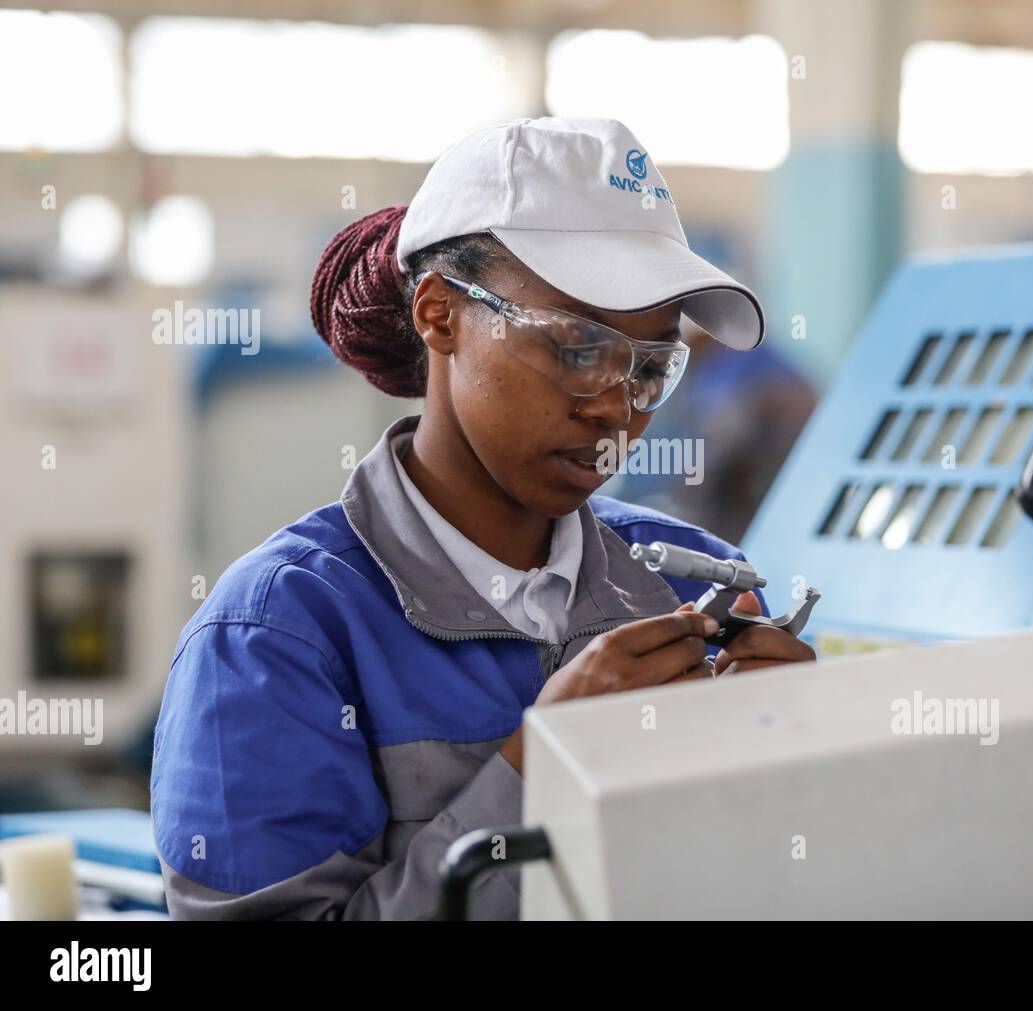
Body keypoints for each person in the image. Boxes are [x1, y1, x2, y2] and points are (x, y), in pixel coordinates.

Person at [150, 116, 816, 920]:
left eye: (649, 368)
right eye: (575, 346)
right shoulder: (278, 636)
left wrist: (800, 767)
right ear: (439, 315)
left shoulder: (680, 580)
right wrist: (542, 766)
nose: (614, 406)